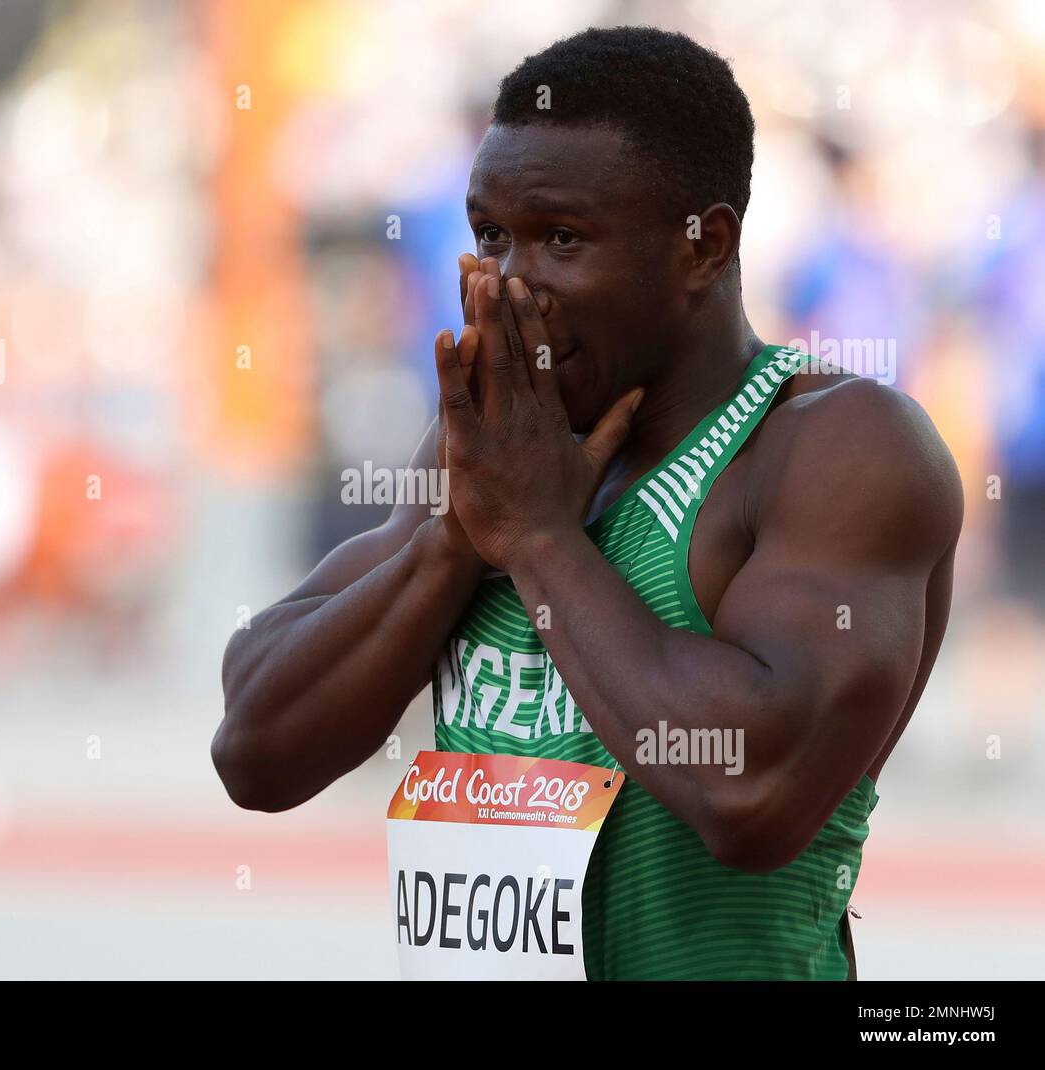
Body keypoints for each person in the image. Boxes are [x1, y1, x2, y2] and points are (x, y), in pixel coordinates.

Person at [213, 26, 963, 980]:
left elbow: (751, 792)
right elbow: (254, 748)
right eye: (491, 235)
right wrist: (454, 543)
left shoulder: (837, 447)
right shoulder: (498, 444)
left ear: (706, 247)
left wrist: (534, 537)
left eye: (562, 239)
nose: (512, 283)